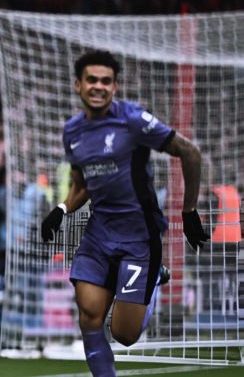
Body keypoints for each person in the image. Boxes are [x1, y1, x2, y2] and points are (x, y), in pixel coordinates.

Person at [40, 51, 208, 377]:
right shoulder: (72, 131)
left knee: (125, 335)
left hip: (139, 237)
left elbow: (190, 152)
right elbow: (82, 183)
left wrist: (189, 211)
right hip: (99, 234)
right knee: (89, 315)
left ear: (115, 86)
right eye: (92, 80)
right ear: (78, 85)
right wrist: (61, 209)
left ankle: (154, 276)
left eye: (106, 81)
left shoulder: (132, 120)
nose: (99, 86)